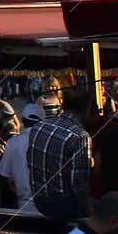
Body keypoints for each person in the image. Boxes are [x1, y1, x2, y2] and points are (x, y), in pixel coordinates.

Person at [28, 88, 95, 223]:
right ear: (86, 110)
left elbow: (30, 161)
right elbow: (79, 185)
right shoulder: (80, 136)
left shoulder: (39, 126)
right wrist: (89, 212)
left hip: (39, 200)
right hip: (63, 205)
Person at [0, 101, 45, 212]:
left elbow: (2, 176)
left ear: (23, 120)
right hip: (49, 210)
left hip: (24, 208)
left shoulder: (14, 142)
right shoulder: (49, 141)